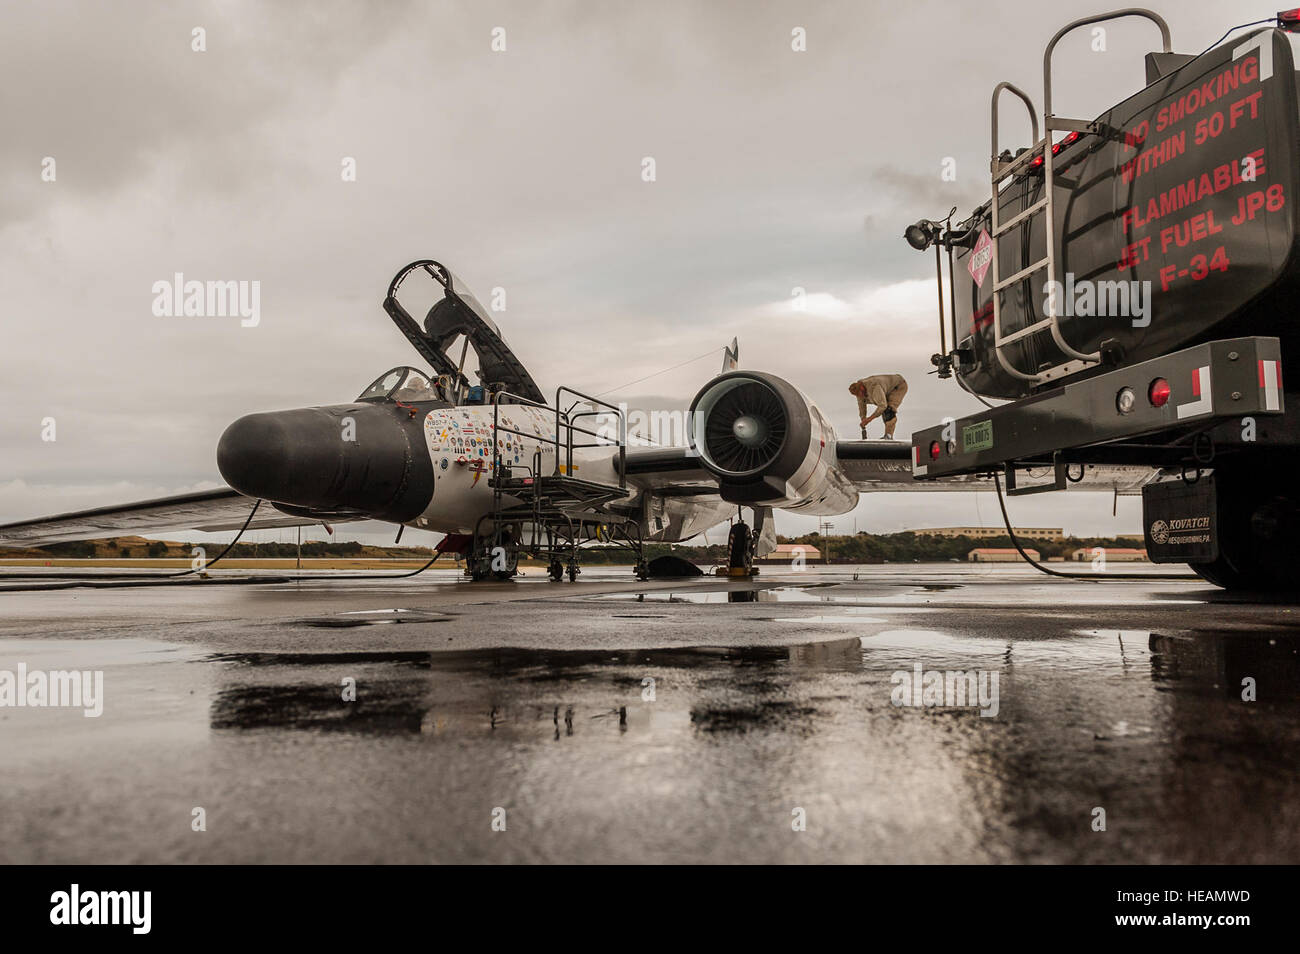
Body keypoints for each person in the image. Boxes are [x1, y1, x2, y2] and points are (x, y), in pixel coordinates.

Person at [849, 374, 908, 439]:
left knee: (888, 411)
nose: (859, 397)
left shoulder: (874, 387)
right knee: (884, 411)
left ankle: (888, 436)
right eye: (857, 395)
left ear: (862, 388)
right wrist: (863, 419)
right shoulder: (858, 393)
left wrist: (869, 419)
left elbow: (882, 406)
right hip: (885, 390)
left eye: (859, 394)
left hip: (898, 386)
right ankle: (887, 435)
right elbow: (861, 407)